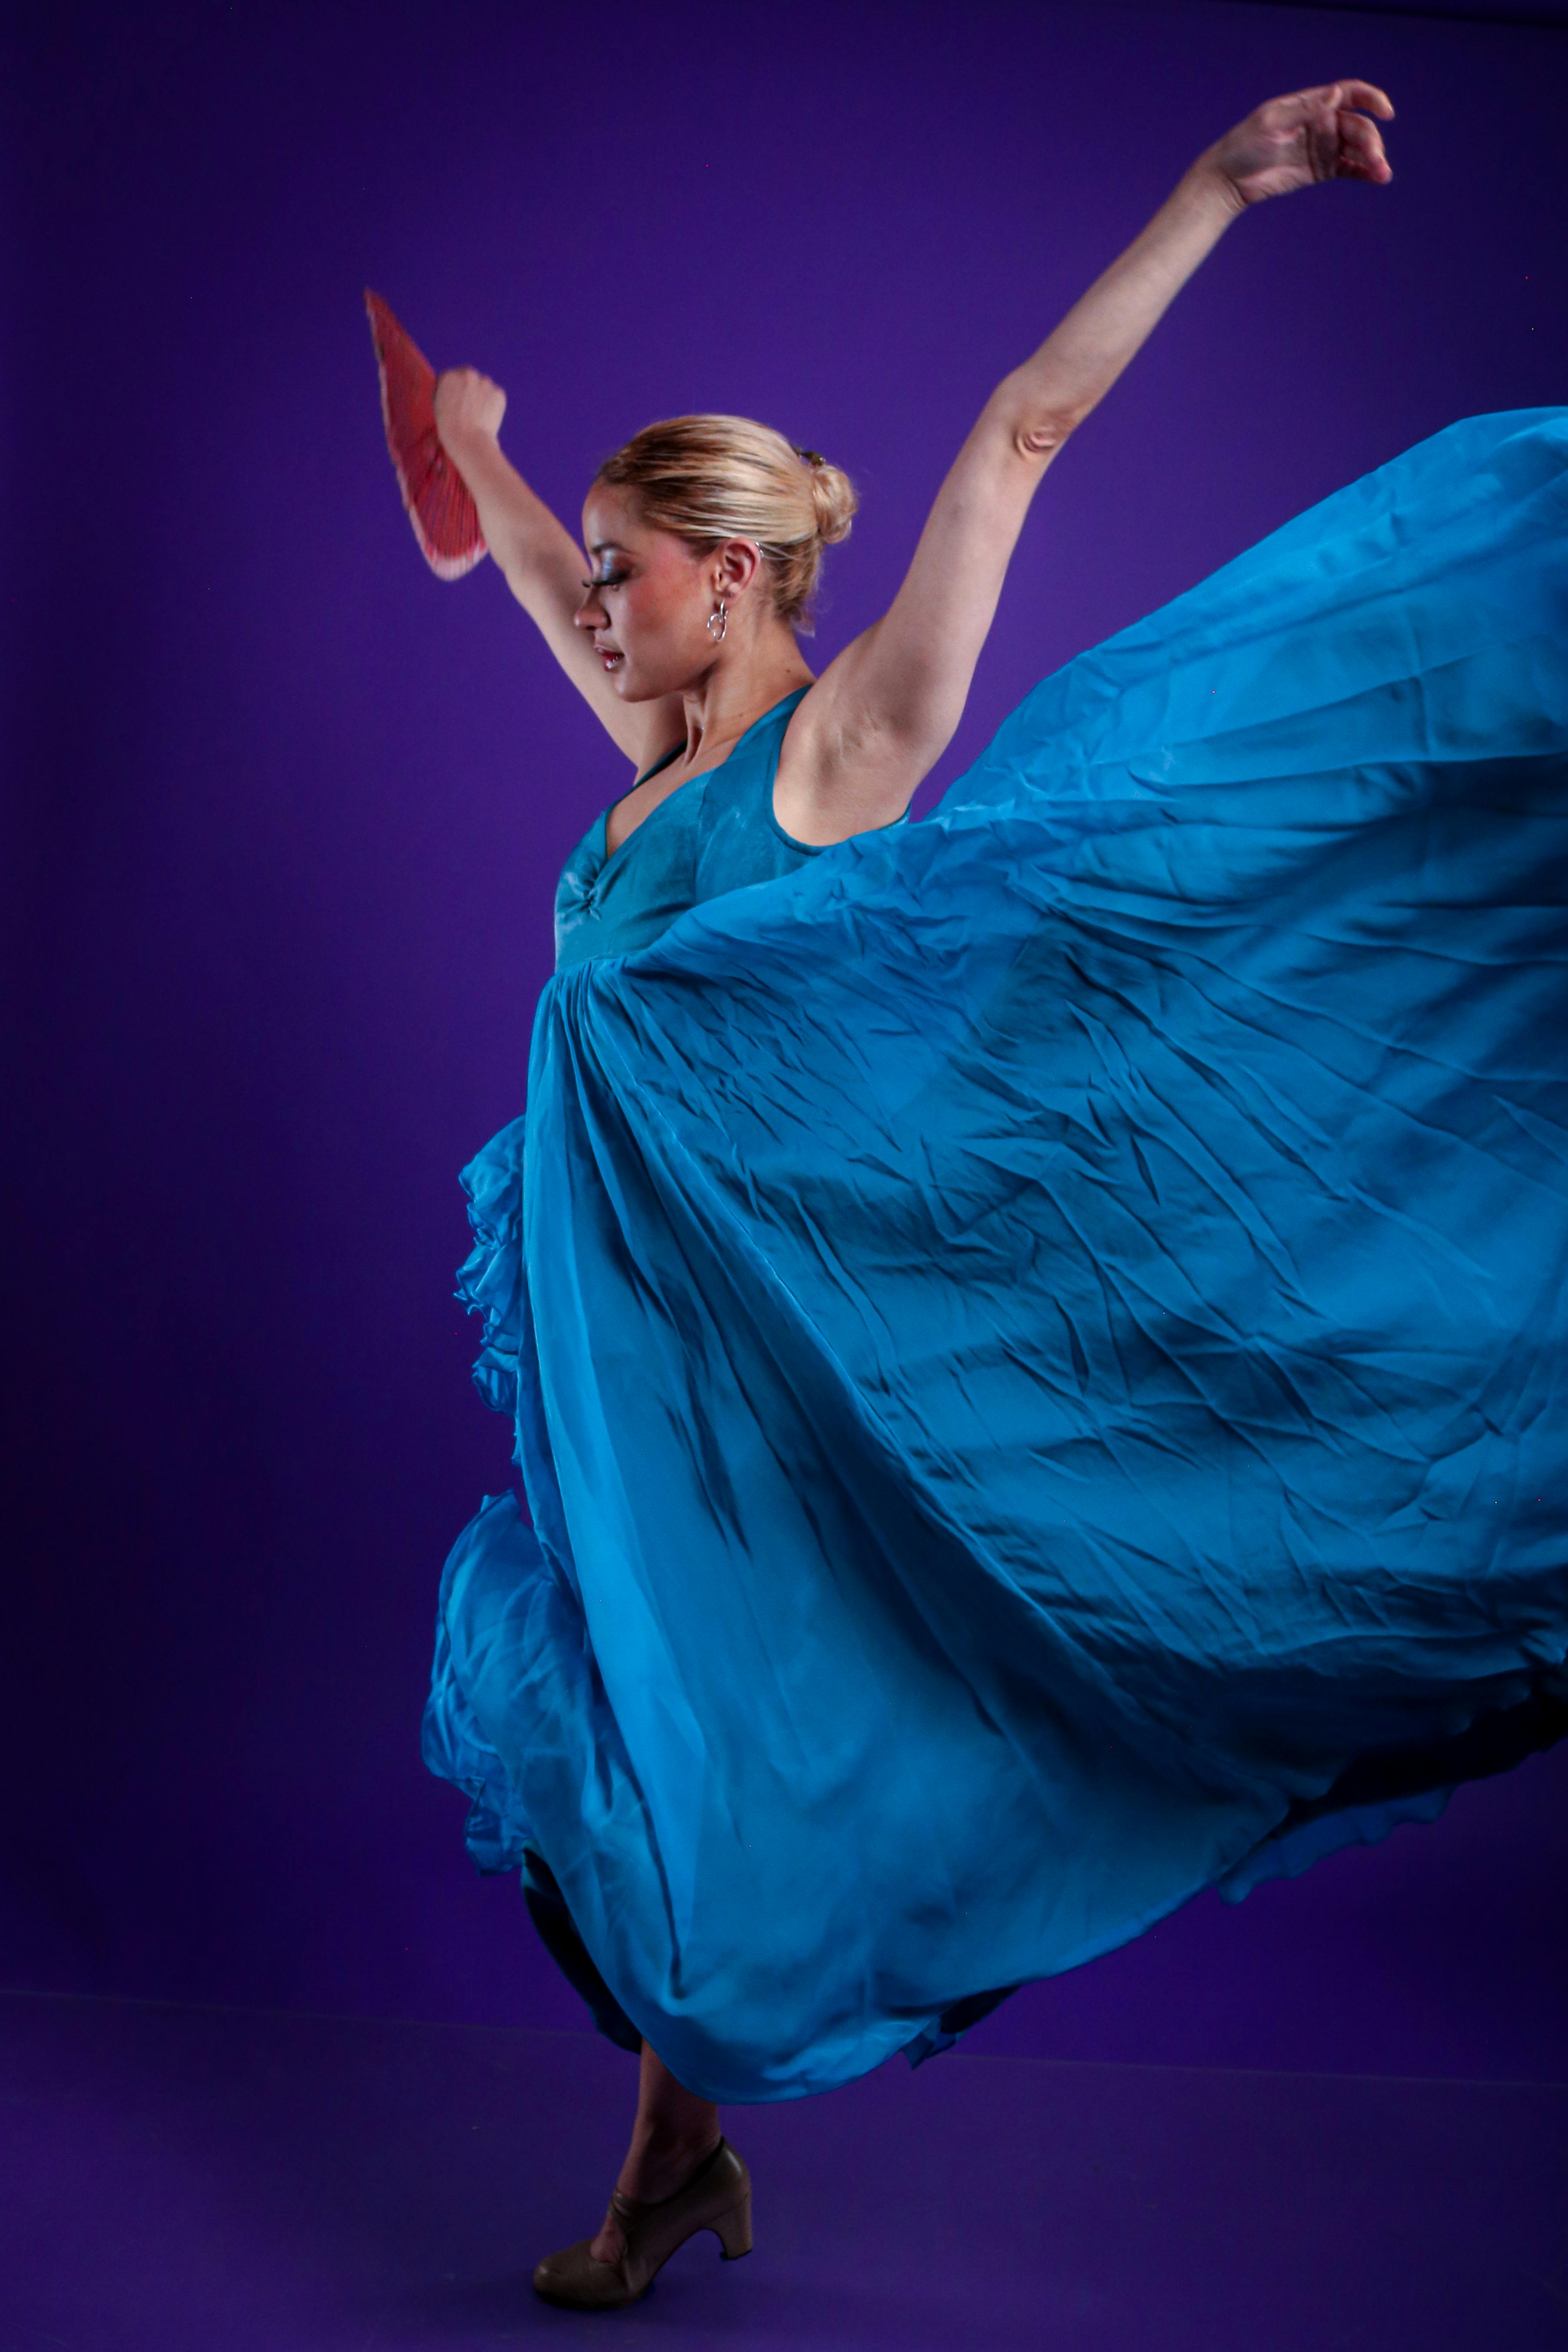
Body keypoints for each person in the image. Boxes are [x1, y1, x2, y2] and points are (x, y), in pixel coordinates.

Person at [418, 82, 1568, 2310]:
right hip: (660, 1373)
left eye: (624, 567)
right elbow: (548, 601)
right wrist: (476, 449)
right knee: (676, 1714)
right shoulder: (658, 764)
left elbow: (1024, 434)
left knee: (709, 1732)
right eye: (592, 571)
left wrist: (1226, 183)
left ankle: (673, 2158)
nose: (594, 603)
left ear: (729, 575)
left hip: (791, 1374)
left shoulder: (833, 754)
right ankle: (675, 2162)